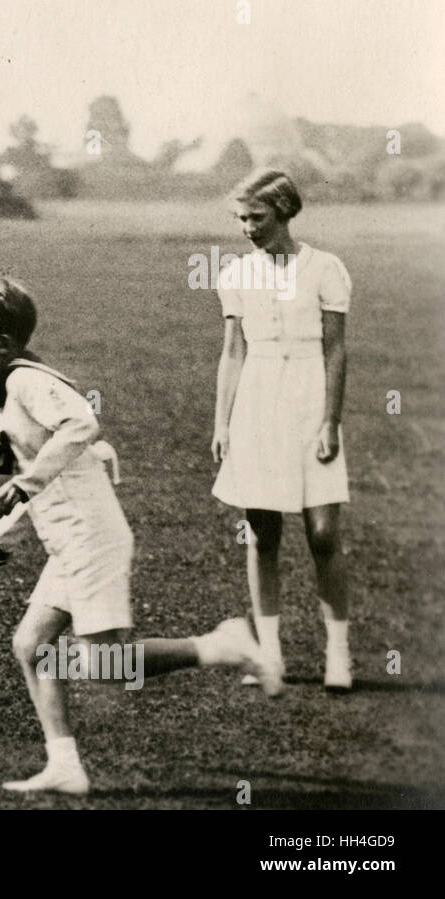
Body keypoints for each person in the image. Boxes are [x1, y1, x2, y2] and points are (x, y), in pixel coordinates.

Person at [0, 276, 281, 796]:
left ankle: (223, 645)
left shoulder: (26, 381)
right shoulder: (14, 382)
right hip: (71, 539)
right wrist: (4, 532)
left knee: (102, 664)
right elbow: (46, 467)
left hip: (90, 538)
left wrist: (25, 483)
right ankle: (65, 765)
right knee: (33, 645)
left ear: (5, 344)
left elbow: (83, 426)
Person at [212, 169, 354, 692]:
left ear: (285, 212)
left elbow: (336, 349)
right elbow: (233, 352)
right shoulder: (235, 274)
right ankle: (269, 656)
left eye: (258, 217)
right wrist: (222, 423)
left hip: (310, 397)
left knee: (323, 535)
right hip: (257, 400)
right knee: (262, 533)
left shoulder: (326, 268)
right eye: (241, 218)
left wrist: (330, 420)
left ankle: (338, 653)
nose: (248, 227)